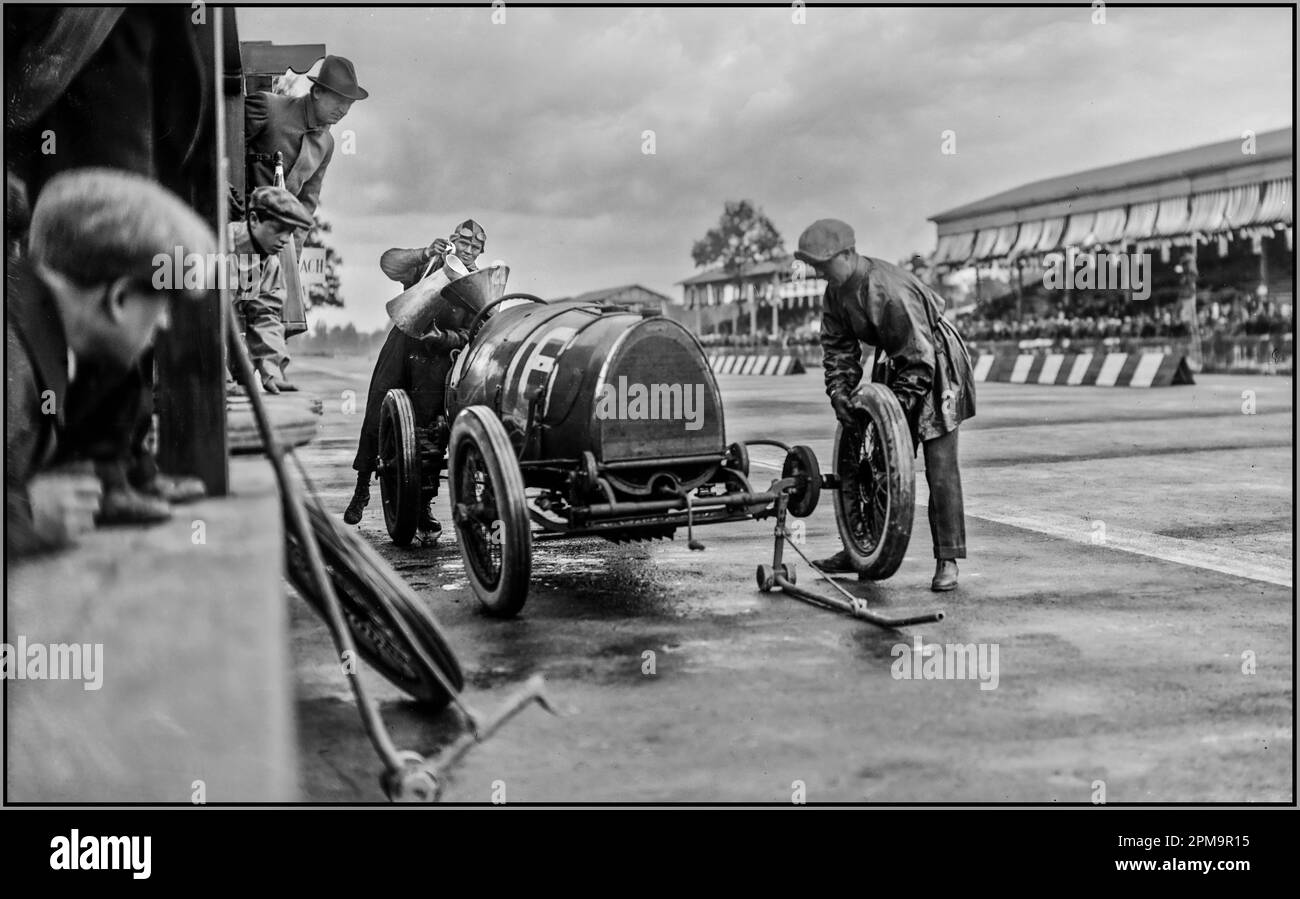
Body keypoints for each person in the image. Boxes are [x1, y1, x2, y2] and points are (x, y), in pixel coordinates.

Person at [6, 169, 216, 555]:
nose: (165, 322)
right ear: (119, 299)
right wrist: (25, 516)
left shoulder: (37, 341)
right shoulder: (13, 362)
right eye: (163, 302)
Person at [795, 218, 976, 592]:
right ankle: (860, 546)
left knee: (939, 467)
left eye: (824, 264)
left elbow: (919, 358)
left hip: (935, 361)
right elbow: (838, 349)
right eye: (815, 266)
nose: (819, 272)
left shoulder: (887, 289)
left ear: (847, 254)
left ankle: (948, 559)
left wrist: (896, 416)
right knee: (875, 463)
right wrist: (840, 392)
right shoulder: (835, 293)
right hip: (895, 361)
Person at [343, 219, 487, 529]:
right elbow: (388, 263)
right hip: (401, 346)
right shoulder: (430, 264)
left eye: (475, 247)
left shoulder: (478, 286)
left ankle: (421, 507)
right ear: (452, 240)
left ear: (481, 252)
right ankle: (362, 487)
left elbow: (473, 331)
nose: (468, 250)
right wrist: (423, 252)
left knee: (430, 433)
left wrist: (443, 339)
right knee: (376, 415)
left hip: (436, 362)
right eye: (463, 243)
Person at [243, 54, 367, 392]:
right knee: (237, 301)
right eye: (339, 100)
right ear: (317, 93)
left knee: (277, 303)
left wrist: (293, 250)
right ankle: (237, 377)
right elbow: (223, 145)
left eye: (349, 104)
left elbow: (307, 202)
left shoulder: (325, 144)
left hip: (279, 239)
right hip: (242, 225)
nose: (344, 110)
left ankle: (268, 375)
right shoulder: (267, 108)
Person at [226, 186, 316, 393]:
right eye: (277, 230)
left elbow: (265, 314)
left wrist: (271, 369)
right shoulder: (215, 248)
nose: (285, 240)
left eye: (290, 233)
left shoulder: (268, 265)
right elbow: (199, 320)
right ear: (255, 219)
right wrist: (219, 379)